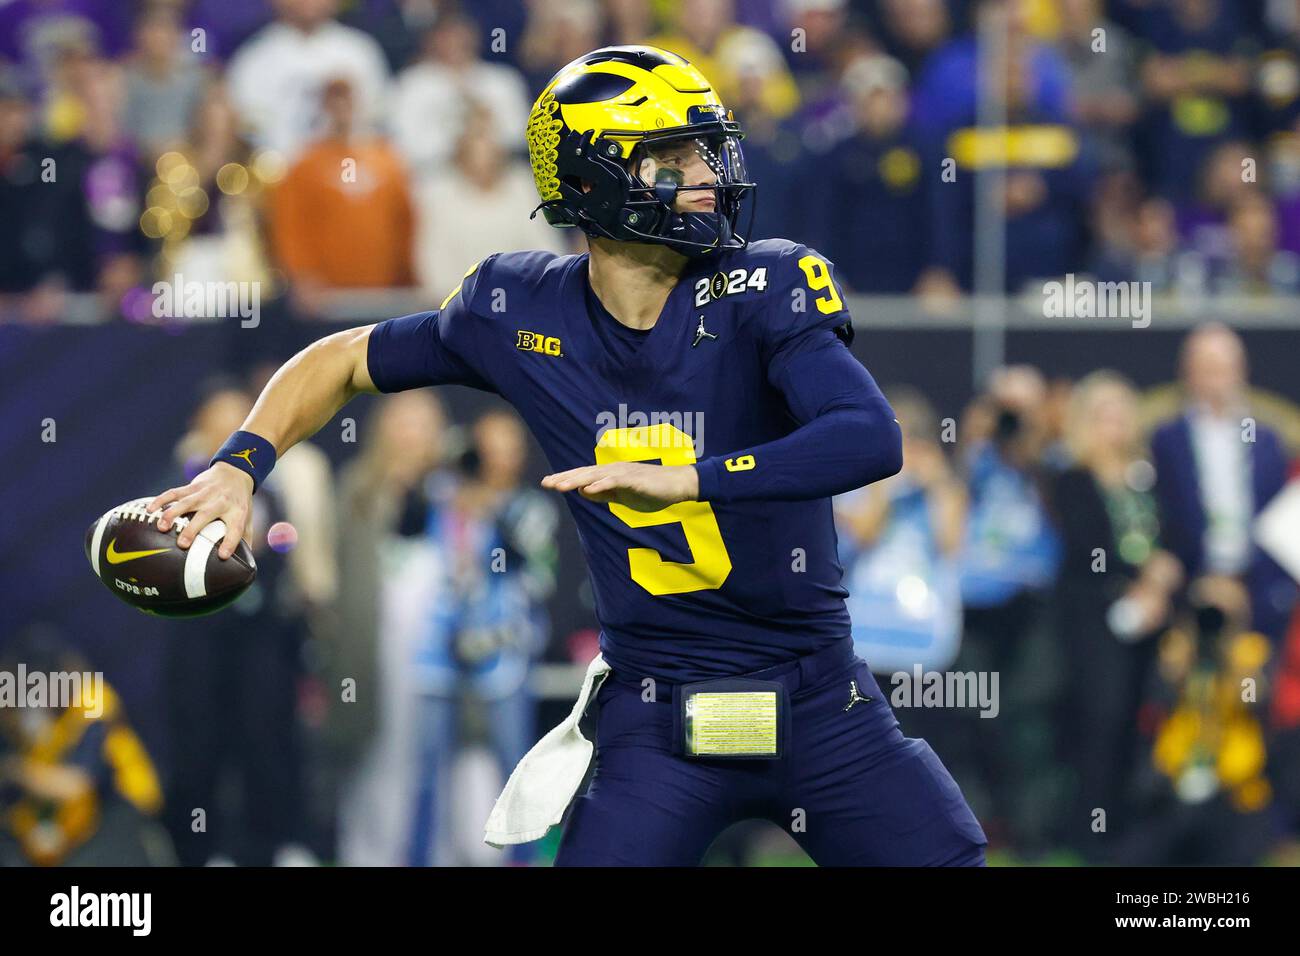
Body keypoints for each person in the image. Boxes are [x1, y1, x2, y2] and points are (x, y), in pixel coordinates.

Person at [147, 45, 986, 867]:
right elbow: (341, 359)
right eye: (673, 155)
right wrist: (239, 463)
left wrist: (694, 479)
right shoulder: (516, 308)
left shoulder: (764, 286)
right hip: (656, 720)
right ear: (595, 178)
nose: (707, 173)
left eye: (704, 149)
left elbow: (867, 435)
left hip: (820, 701)